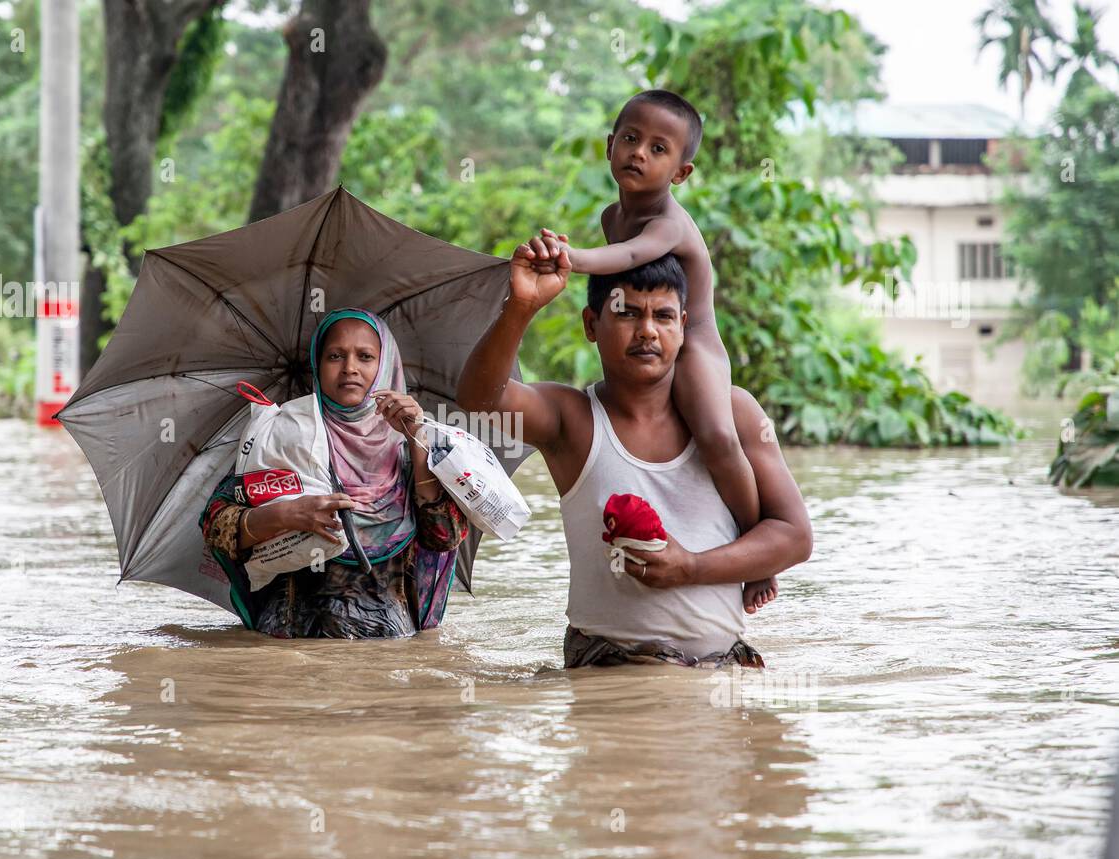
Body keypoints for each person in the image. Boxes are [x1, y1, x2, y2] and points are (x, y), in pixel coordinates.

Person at [457, 247, 812, 668]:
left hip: (724, 668)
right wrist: (522, 305)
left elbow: (795, 536)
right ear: (592, 325)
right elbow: (481, 399)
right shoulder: (572, 420)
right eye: (627, 314)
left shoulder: (734, 414)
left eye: (662, 316)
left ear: (682, 326)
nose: (647, 331)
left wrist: (691, 568)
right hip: (610, 668)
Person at [522, 89, 763, 543]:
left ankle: (753, 536)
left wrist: (568, 255)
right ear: (610, 144)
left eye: (658, 149)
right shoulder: (612, 214)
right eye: (631, 139)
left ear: (681, 173)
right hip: (643, 332)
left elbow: (631, 253)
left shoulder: (668, 223)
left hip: (693, 342)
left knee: (716, 436)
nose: (639, 153)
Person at [199, 308, 468, 639]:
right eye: (335, 356)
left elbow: (444, 537)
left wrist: (417, 439)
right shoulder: (284, 436)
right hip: (288, 640)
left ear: (385, 366)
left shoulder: (411, 446)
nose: (350, 368)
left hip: (385, 642)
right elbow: (216, 528)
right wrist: (286, 514)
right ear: (317, 364)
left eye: (365, 356)